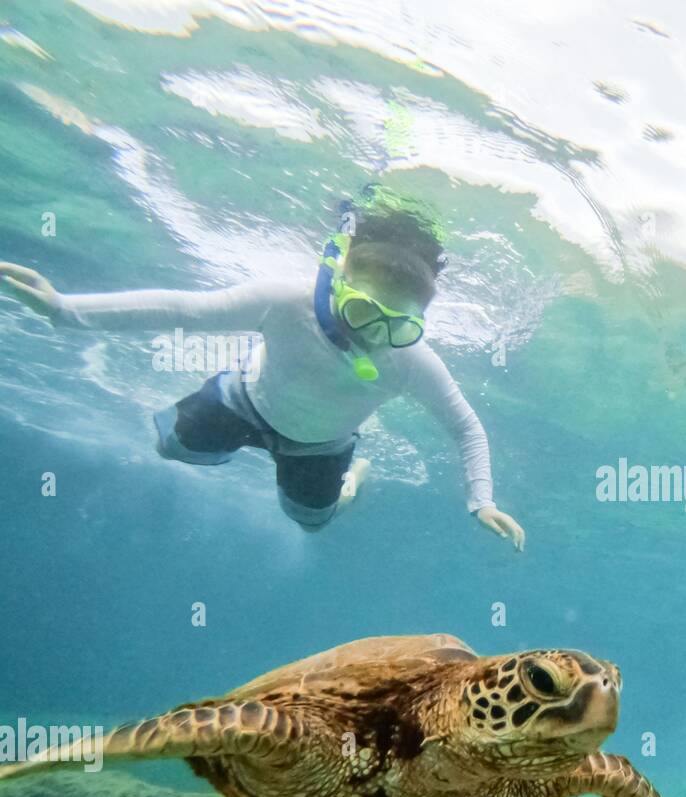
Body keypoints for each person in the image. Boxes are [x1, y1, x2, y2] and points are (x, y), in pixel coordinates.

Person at [0, 197, 525, 547]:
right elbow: (185, 310)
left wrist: (481, 501)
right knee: (170, 446)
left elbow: (465, 427)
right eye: (364, 313)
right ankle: (235, 442)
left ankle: (353, 483)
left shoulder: (411, 362)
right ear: (338, 286)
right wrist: (63, 309)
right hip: (243, 400)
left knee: (311, 524)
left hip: (321, 447)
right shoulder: (285, 302)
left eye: (398, 325)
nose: (373, 337)